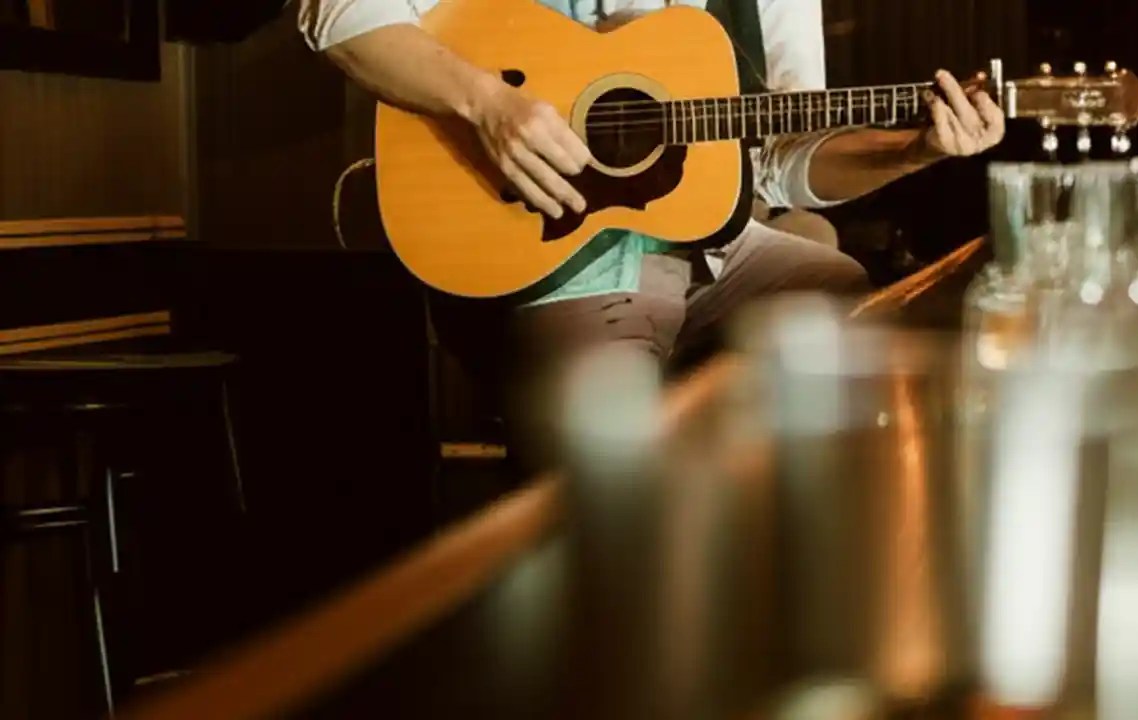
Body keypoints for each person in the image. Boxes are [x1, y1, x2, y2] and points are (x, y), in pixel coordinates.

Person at [297, 0, 1004, 466]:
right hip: (552, 263)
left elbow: (780, 158)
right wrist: (489, 106)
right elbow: (340, 14)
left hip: (718, 254)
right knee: (615, 501)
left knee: (867, 321)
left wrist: (915, 151)